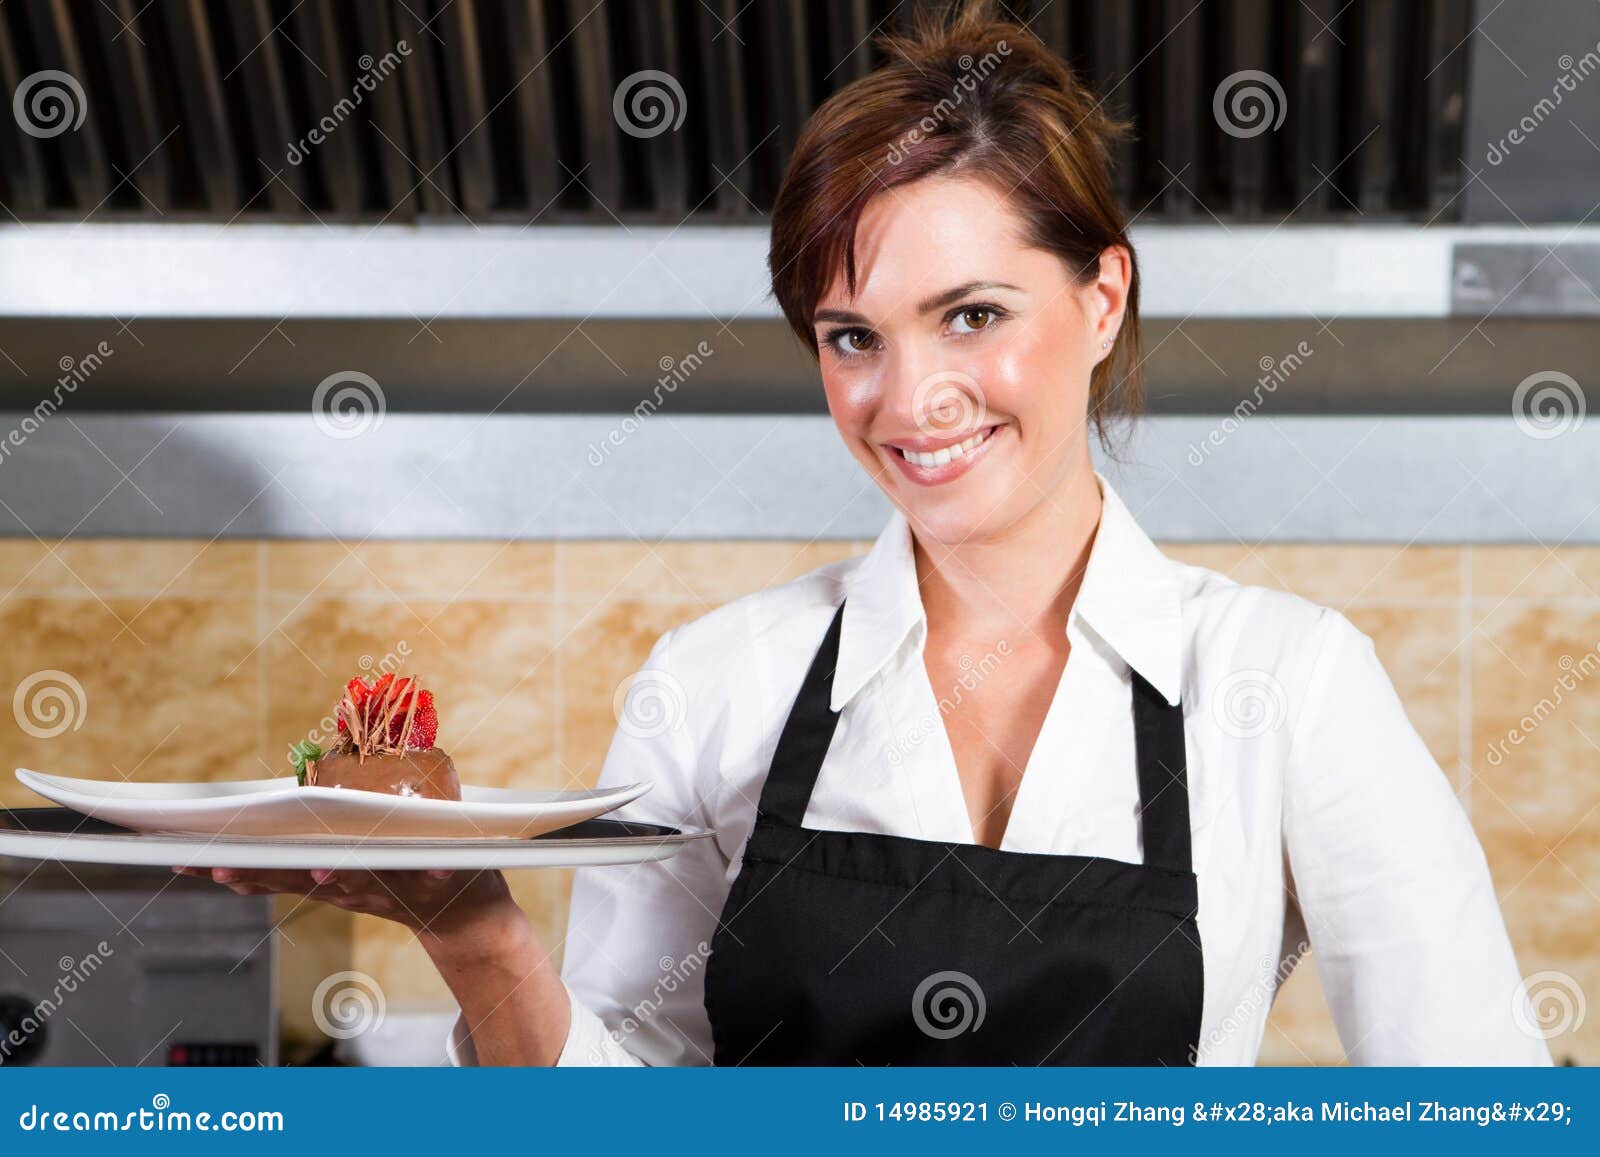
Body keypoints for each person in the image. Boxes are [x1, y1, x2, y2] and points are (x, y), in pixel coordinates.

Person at [185, 0, 1550, 1066]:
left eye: (972, 314)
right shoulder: (717, 686)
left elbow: (1473, 1102)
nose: (911, 400)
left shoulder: (1285, 684)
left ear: (1103, 299)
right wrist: (478, 934)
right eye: (852, 337)